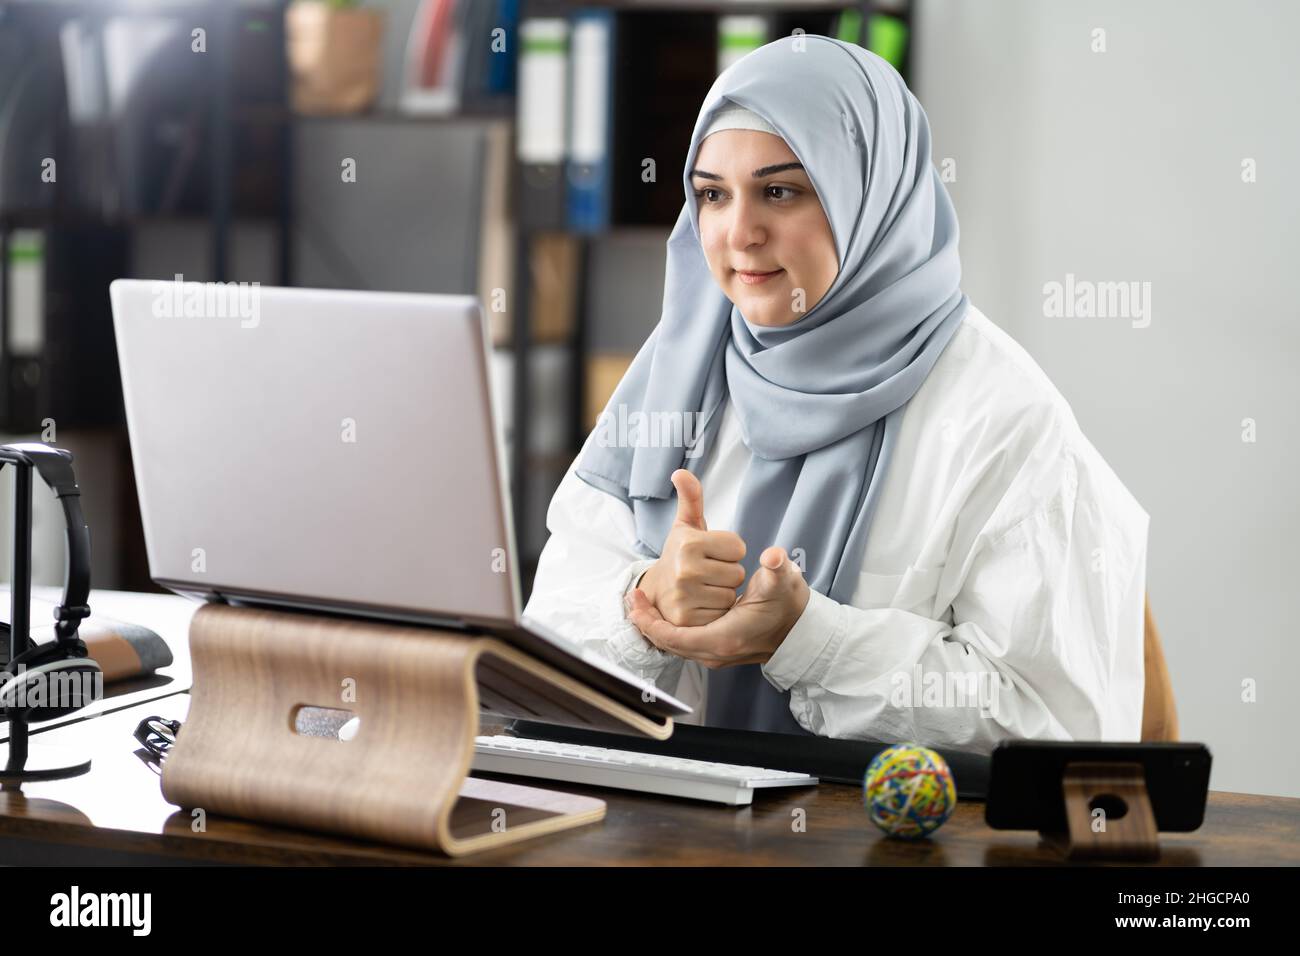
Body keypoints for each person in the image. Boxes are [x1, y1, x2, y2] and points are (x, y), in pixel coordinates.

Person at [521, 35, 1149, 753]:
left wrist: (810, 642)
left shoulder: (1006, 421)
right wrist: (645, 602)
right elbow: (549, 633)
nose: (739, 234)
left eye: (781, 191)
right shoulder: (674, 370)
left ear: (873, 197)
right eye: (712, 195)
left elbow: (1063, 730)